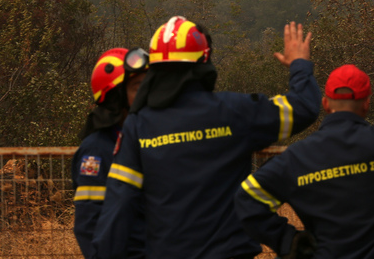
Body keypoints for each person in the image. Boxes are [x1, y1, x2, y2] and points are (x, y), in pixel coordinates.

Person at [93, 17, 321, 259]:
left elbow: (119, 207)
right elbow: (303, 107)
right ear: (204, 62)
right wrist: (299, 63)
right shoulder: (235, 112)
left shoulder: (138, 126)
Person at [234, 56, 374, 259]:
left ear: (325, 104)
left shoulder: (296, 158)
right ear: (366, 103)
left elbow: (247, 198)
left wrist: (289, 242)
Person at [72, 47, 150, 259]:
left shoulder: (142, 139)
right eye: (137, 87)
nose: (146, 95)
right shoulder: (96, 151)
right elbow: (89, 225)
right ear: (115, 96)